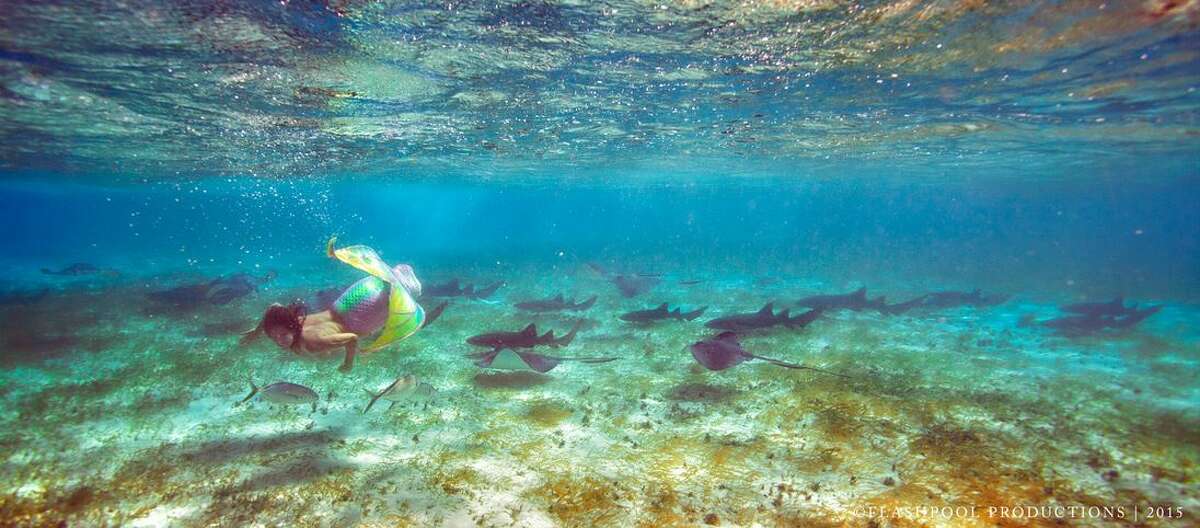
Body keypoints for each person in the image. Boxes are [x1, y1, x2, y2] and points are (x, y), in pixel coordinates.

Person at [242, 238, 426, 372]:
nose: (279, 341)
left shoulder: (312, 342)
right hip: (349, 301)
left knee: (401, 294)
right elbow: (273, 308)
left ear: (289, 327)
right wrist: (257, 332)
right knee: (383, 281)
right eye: (274, 337)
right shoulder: (293, 320)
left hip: (360, 318)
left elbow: (352, 338)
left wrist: (348, 363)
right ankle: (397, 275)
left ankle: (409, 285)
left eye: (282, 335)